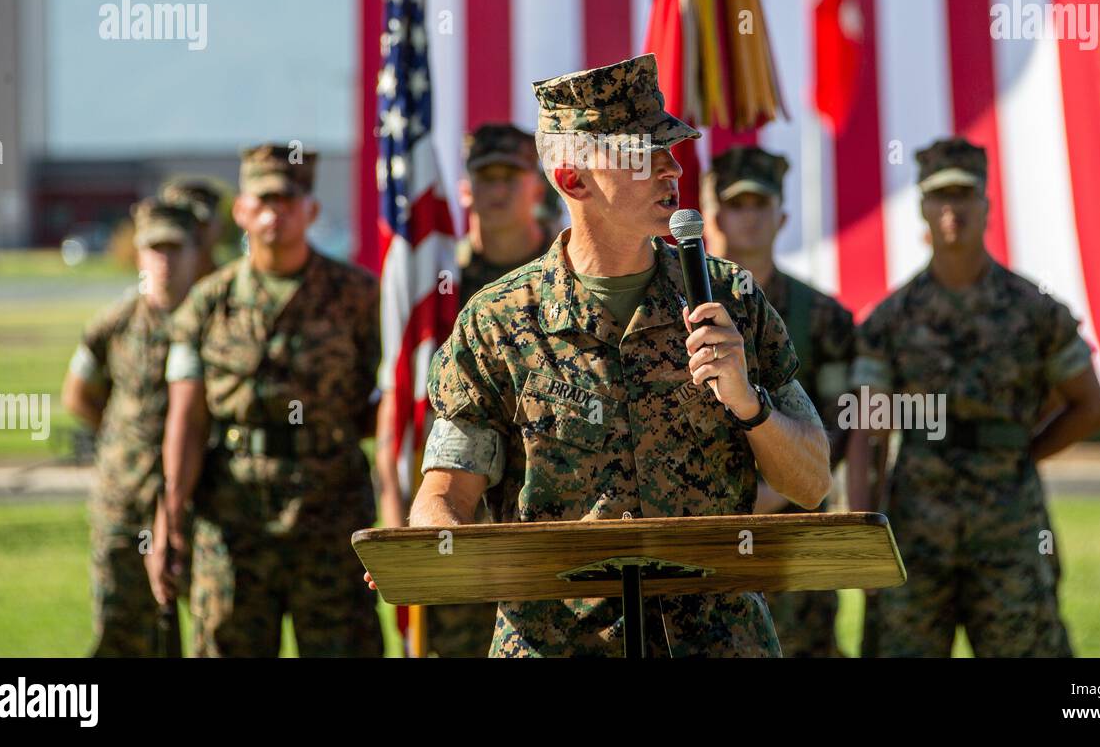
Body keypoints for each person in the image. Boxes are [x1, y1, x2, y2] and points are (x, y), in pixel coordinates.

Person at [366, 54, 831, 657]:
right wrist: (427, 548)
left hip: (715, 641)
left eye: (671, 148)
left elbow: (813, 481)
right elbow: (445, 494)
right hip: (557, 641)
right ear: (572, 179)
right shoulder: (497, 321)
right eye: (642, 153)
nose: (671, 168)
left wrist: (749, 405)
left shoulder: (730, 298)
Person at [847, 137, 1100, 658]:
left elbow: (1090, 407)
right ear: (921, 207)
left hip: (1009, 531)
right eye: (940, 196)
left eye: (965, 195)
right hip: (918, 534)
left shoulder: (1034, 312)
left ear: (986, 203)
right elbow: (867, 434)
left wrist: (1023, 451)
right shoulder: (892, 320)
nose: (953, 210)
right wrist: (864, 543)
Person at [150, 144, 384, 657]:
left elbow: (386, 401)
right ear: (241, 210)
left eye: (289, 199)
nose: (275, 213)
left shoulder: (359, 296)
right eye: (263, 200)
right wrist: (170, 512)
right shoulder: (208, 303)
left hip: (332, 514)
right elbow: (187, 419)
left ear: (311, 210)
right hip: (234, 519)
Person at [375, 122, 548, 658]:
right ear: (465, 187)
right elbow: (398, 398)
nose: (497, 190)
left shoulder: (560, 273)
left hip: (542, 510)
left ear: (536, 187)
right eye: (484, 176)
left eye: (510, 176)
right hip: (456, 515)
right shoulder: (438, 286)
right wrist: (392, 508)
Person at [702, 146, 857, 658]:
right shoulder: (681, 308)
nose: (748, 218)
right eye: (736, 205)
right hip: (710, 525)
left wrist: (777, 488)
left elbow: (842, 419)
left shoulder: (821, 315)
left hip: (796, 522)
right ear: (714, 215)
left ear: (782, 217)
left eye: (759, 205)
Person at [62, 199, 201, 657]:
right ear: (139, 255)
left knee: (213, 632)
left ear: (193, 252)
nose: (163, 260)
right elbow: (77, 393)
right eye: (152, 249)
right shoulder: (116, 322)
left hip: (202, 504)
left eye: (173, 248)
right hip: (125, 502)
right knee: (123, 633)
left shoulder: (213, 318)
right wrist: (122, 436)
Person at [158, 176, 228, 278]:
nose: (194, 233)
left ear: (218, 227)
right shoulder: (150, 290)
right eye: (183, 224)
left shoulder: (236, 287)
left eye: (201, 224)